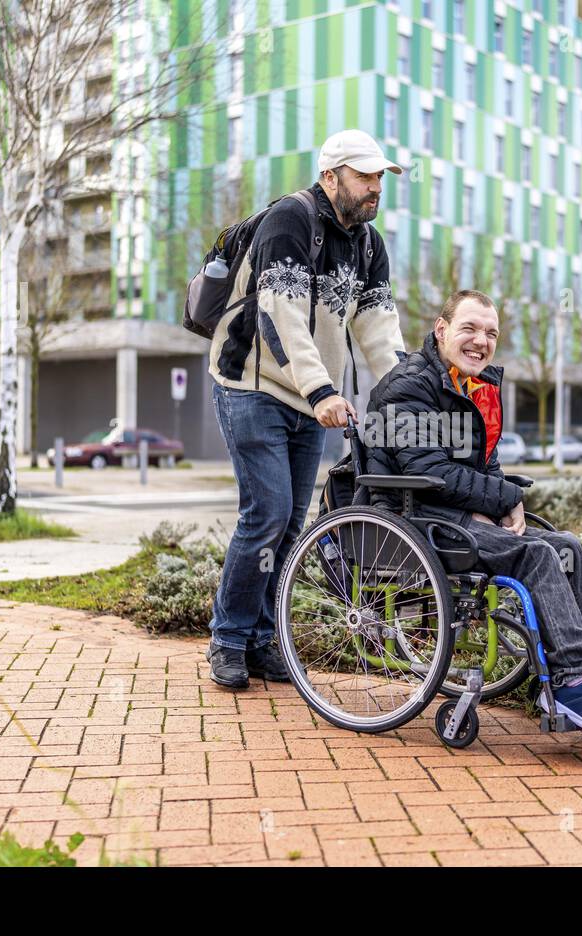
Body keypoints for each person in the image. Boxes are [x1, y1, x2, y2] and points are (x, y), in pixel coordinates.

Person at [364, 290, 582, 747]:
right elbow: (427, 471)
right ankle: (575, 684)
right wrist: (504, 498)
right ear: (441, 330)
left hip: (452, 517)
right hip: (412, 524)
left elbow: (485, 467)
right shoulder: (409, 385)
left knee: (566, 547)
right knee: (538, 555)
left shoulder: (472, 386)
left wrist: (500, 498)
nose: (481, 341)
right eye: (470, 328)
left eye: (491, 332)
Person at [206, 130, 407, 688]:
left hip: (309, 398)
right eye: (364, 176)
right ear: (330, 176)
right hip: (253, 384)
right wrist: (322, 392)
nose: (375, 188)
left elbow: (378, 330)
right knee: (267, 514)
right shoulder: (289, 222)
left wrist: (409, 392)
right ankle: (227, 637)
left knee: (293, 525)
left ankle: (263, 639)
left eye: (379, 178)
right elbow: (280, 321)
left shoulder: (368, 244)